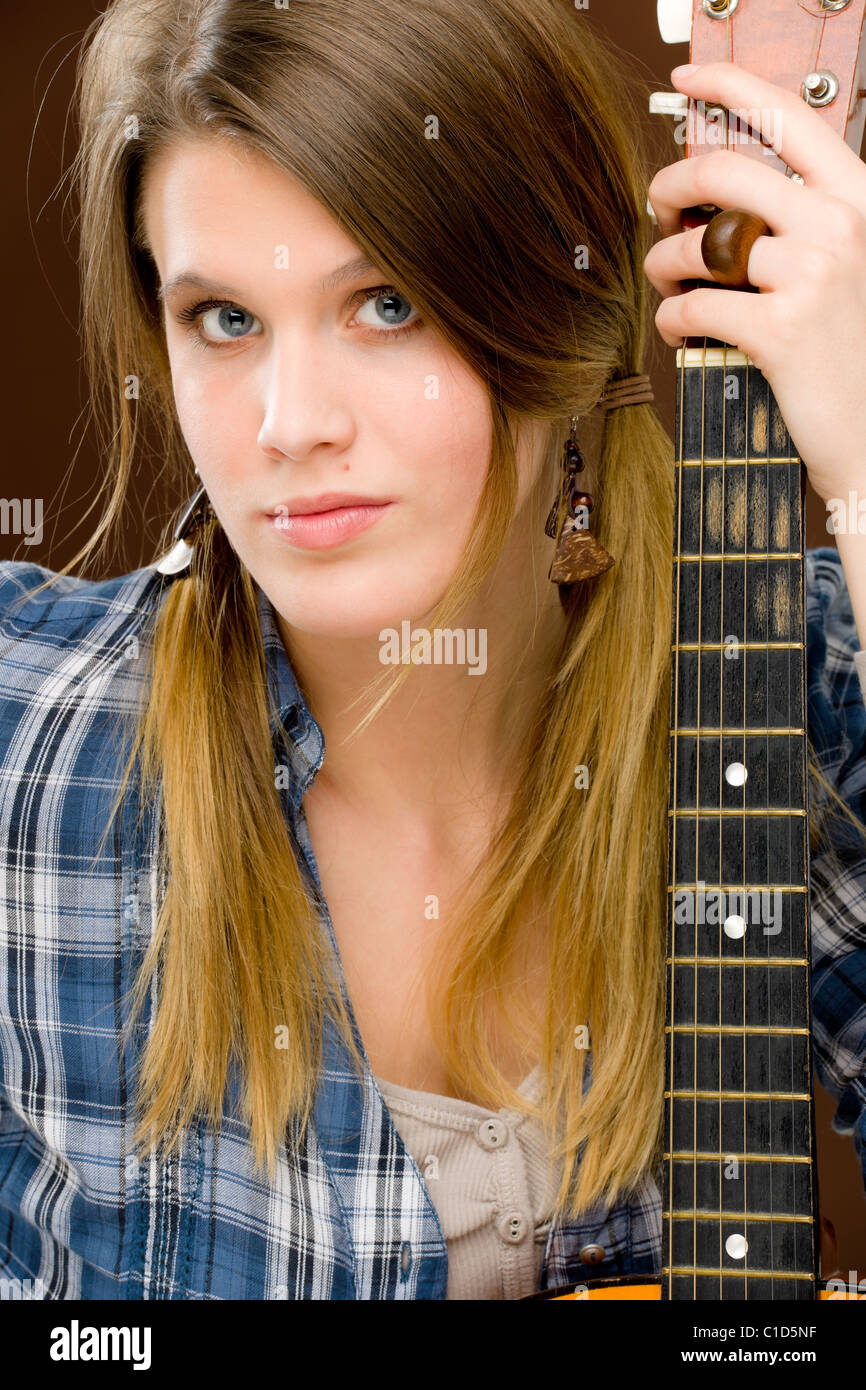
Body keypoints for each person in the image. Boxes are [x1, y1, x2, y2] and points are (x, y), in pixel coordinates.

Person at [0, 0, 864, 1301]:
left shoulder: (786, 678)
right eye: (224, 320)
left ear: (559, 322)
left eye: (385, 303)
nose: (288, 426)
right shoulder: (29, 728)